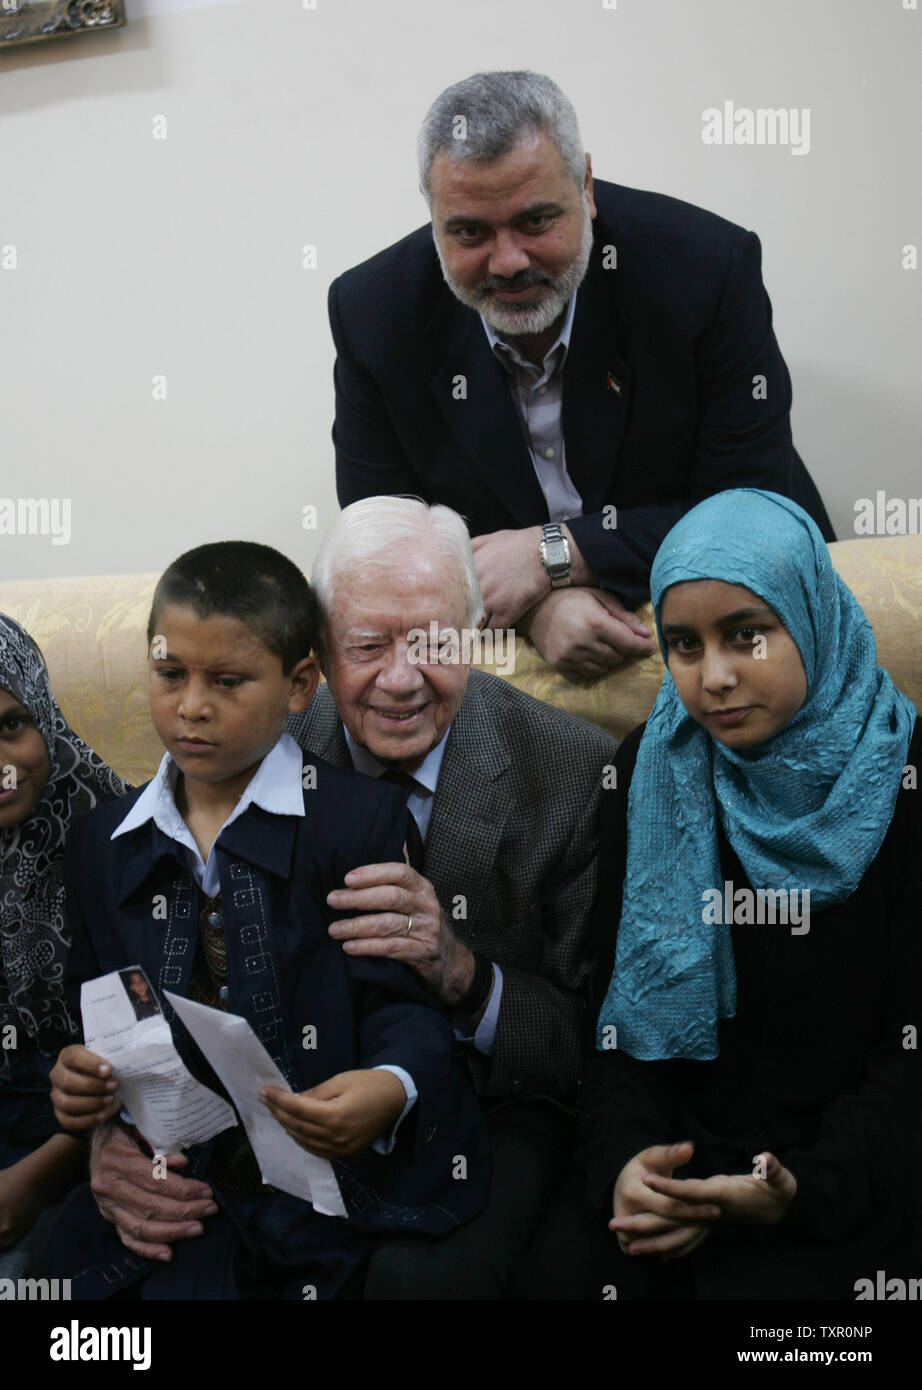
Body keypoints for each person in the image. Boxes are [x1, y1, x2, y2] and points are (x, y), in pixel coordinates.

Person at [45, 541, 488, 1299]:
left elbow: (404, 1004)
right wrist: (84, 1096)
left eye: (227, 681)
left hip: (323, 1180)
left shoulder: (357, 822)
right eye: (170, 675)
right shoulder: (100, 842)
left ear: (299, 685)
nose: (191, 706)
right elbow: (91, 1016)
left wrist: (388, 1084)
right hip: (174, 1178)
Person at [510, 488, 920, 1300]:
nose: (717, 678)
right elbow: (618, 1020)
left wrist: (797, 1190)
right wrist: (628, 1166)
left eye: (746, 636)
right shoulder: (647, 769)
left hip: (858, 1167)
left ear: (812, 618)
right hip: (687, 1157)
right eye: (684, 645)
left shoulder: (906, 781)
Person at [330, 70, 835, 679]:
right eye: (469, 232)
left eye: (537, 222)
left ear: (586, 186)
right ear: (433, 216)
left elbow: (751, 510)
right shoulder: (373, 314)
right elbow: (382, 551)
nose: (508, 261)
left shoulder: (705, 270)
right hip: (513, 638)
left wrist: (554, 558)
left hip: (735, 607)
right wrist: (537, 610)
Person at [282, 495, 617, 1299]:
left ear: (475, 638)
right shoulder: (270, 746)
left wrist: (466, 975)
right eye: (367, 646)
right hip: (305, 1092)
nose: (401, 680)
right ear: (322, 654)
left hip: (496, 1106)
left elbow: (592, 1040)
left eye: (434, 642)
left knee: (420, 1284)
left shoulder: (576, 772)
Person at [0, 613, 126, 1278]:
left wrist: (37, 1180)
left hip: (89, 1135)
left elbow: (151, 1065)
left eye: (11, 727)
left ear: (42, 712)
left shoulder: (122, 842)